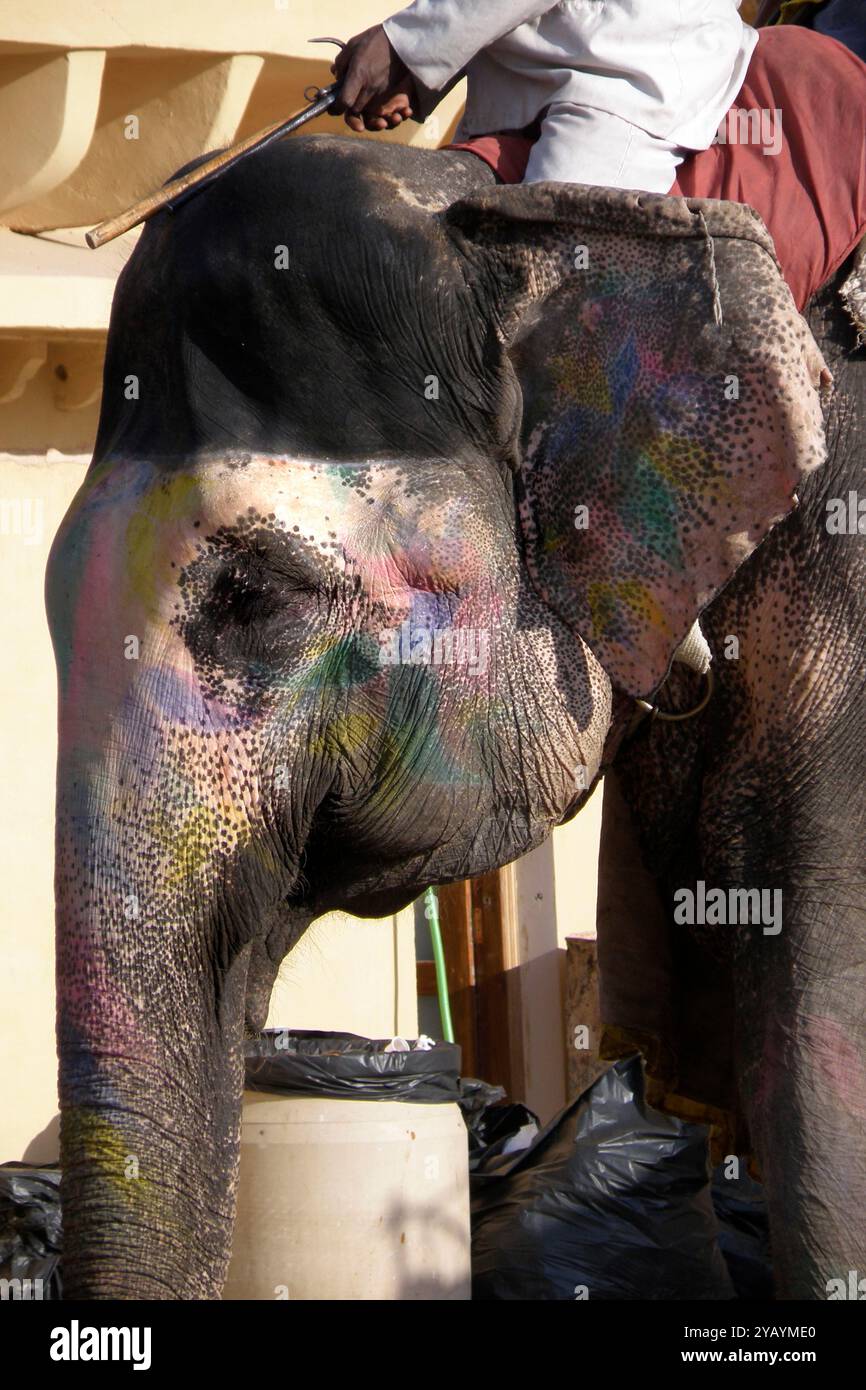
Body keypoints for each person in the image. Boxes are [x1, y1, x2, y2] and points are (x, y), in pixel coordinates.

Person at [329, 1, 758, 195]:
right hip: (548, 52)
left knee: (552, 263)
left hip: (628, 67)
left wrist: (402, 44)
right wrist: (419, 73)